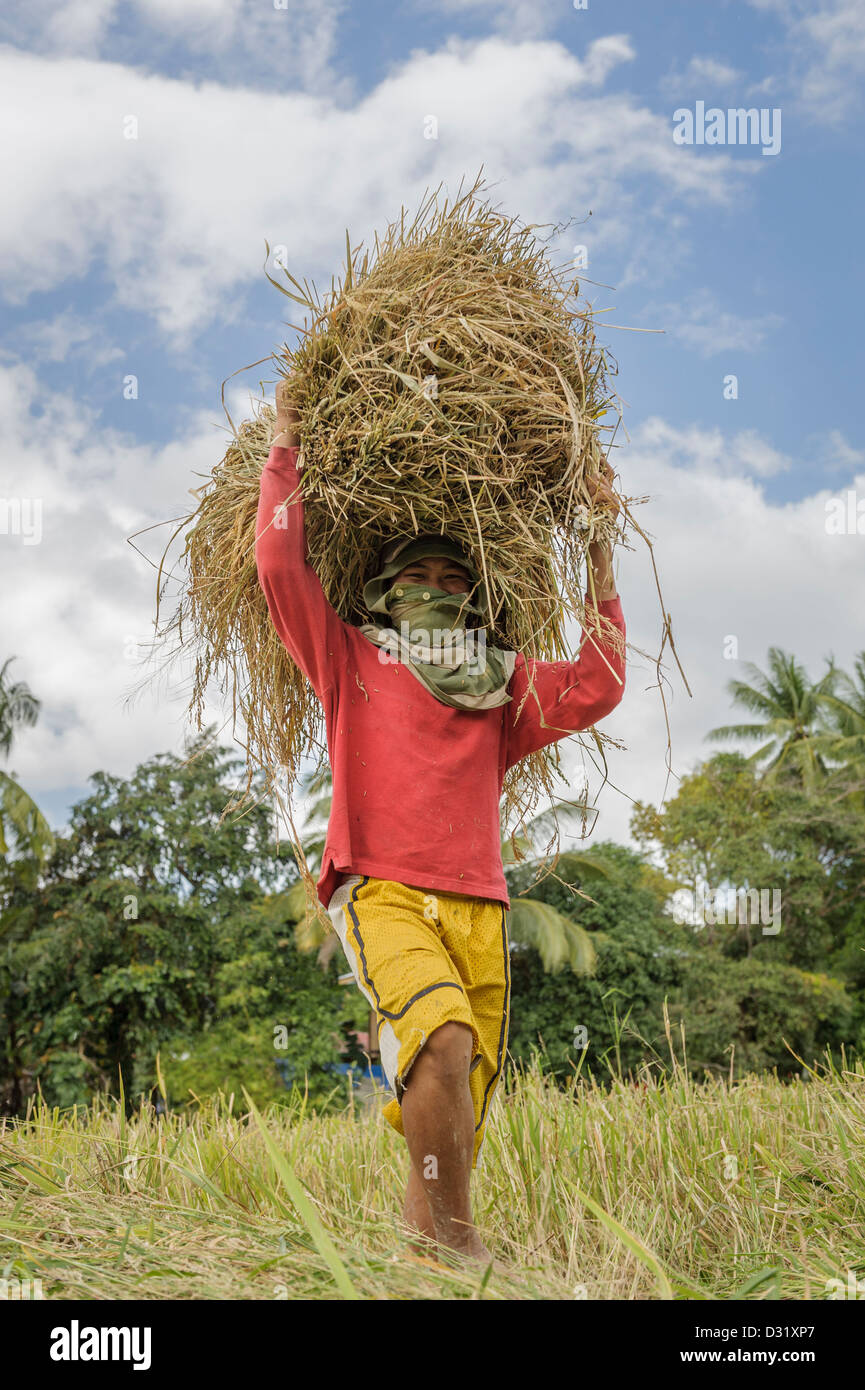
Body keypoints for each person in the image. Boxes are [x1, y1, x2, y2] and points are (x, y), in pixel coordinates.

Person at [255, 377, 626, 1266]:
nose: (435, 590)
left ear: (476, 600)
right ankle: (462, 1249)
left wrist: (600, 550)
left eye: (452, 580)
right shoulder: (348, 660)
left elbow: (598, 681)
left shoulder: (500, 688)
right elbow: (278, 568)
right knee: (441, 1037)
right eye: (416, 578)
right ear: (385, 595)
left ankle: (422, 1263)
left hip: (480, 907)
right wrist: (285, 442)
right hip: (380, 889)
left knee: (454, 1086)